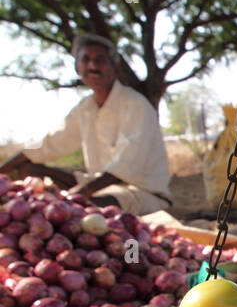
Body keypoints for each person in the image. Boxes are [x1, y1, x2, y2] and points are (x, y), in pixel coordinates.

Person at [0, 33, 173, 217]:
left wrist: (77, 195)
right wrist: (3, 170)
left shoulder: (136, 105)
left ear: (115, 67)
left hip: (139, 191)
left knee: (86, 209)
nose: (93, 66)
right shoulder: (84, 109)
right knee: (28, 170)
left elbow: (126, 164)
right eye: (86, 60)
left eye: (100, 60)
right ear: (78, 68)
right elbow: (49, 144)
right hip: (96, 184)